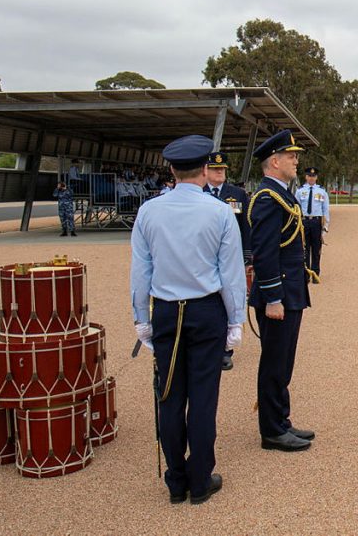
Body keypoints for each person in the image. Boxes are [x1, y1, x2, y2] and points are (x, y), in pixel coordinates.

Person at [130, 135, 247, 505]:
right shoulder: (219, 213)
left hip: (165, 309)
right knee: (202, 397)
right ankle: (200, 479)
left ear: (171, 169)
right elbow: (230, 275)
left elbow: (140, 271)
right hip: (205, 310)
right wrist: (236, 320)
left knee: (168, 395)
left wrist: (140, 317)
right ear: (205, 169)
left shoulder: (150, 210)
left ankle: (175, 480)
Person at [247, 130, 315, 452]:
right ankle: (272, 431)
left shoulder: (282, 194)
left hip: (290, 291)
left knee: (283, 360)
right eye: (291, 156)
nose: (296, 160)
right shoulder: (267, 198)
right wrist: (273, 297)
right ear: (274, 161)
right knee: (274, 362)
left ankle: (281, 420)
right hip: (279, 295)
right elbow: (264, 252)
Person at [203, 151, 252, 370]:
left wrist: (248, 252)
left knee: (229, 300)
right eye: (215, 169)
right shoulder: (200, 193)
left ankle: (225, 350)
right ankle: (207, 345)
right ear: (206, 171)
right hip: (204, 257)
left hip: (232, 258)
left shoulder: (238, 194)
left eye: (222, 169)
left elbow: (246, 226)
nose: (220, 172)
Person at [294, 167, 330, 281]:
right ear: (306, 177)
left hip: (316, 221)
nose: (311, 178)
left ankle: (315, 273)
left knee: (316, 248)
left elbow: (325, 210)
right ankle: (306, 273)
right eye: (309, 176)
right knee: (304, 248)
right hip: (304, 221)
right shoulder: (300, 191)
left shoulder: (321, 191)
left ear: (316, 178)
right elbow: (296, 208)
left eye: (313, 176)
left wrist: (325, 226)